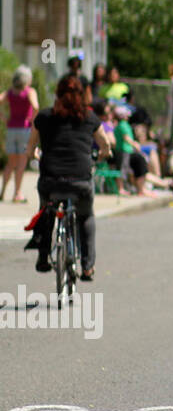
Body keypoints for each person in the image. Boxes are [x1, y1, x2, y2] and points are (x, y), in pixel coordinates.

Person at [24, 75, 114, 281]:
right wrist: (103, 155)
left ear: (57, 94)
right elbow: (105, 144)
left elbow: (30, 149)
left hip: (50, 180)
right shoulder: (89, 118)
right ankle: (88, 266)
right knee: (86, 216)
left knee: (46, 212)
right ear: (81, 95)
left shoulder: (44, 117)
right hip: (80, 180)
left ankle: (43, 257)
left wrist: (36, 155)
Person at [2, 66, 39, 202]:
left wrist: (4, 117)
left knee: (11, 163)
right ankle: (17, 193)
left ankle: (3, 191)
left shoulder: (10, 92)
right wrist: (32, 119)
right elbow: (35, 106)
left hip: (11, 129)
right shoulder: (29, 91)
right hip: (24, 129)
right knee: (21, 163)